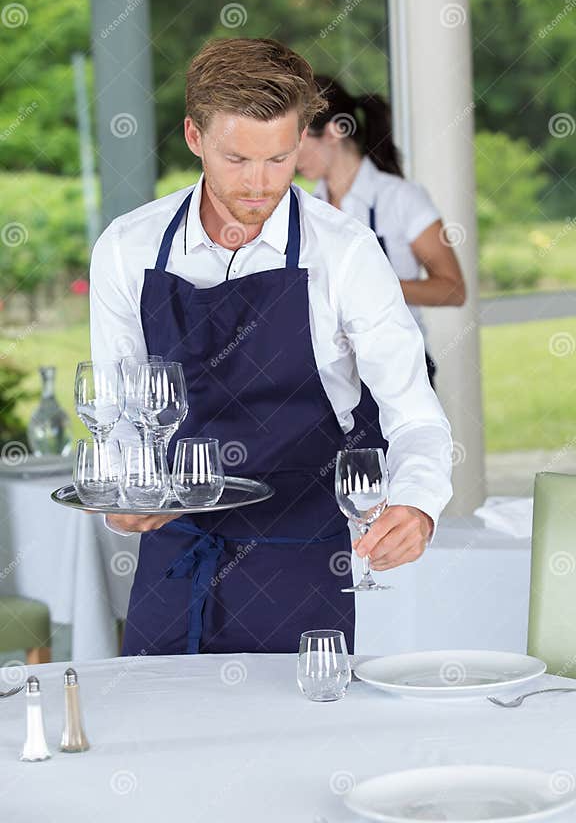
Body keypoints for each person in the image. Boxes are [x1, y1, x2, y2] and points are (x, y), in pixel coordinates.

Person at [90, 38, 453, 658]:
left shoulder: (345, 252)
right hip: (177, 554)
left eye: (280, 159)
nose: (260, 185)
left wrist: (418, 503)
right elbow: (123, 412)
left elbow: (414, 413)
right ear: (194, 136)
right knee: (154, 740)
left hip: (303, 557)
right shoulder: (128, 248)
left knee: (304, 748)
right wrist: (126, 492)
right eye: (237, 159)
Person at [297, 77, 466, 449]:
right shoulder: (310, 208)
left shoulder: (401, 198)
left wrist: (370, 288)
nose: (290, 157)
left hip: (395, 364)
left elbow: (453, 288)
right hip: (330, 372)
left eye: (298, 141)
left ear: (335, 132)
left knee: (396, 486)